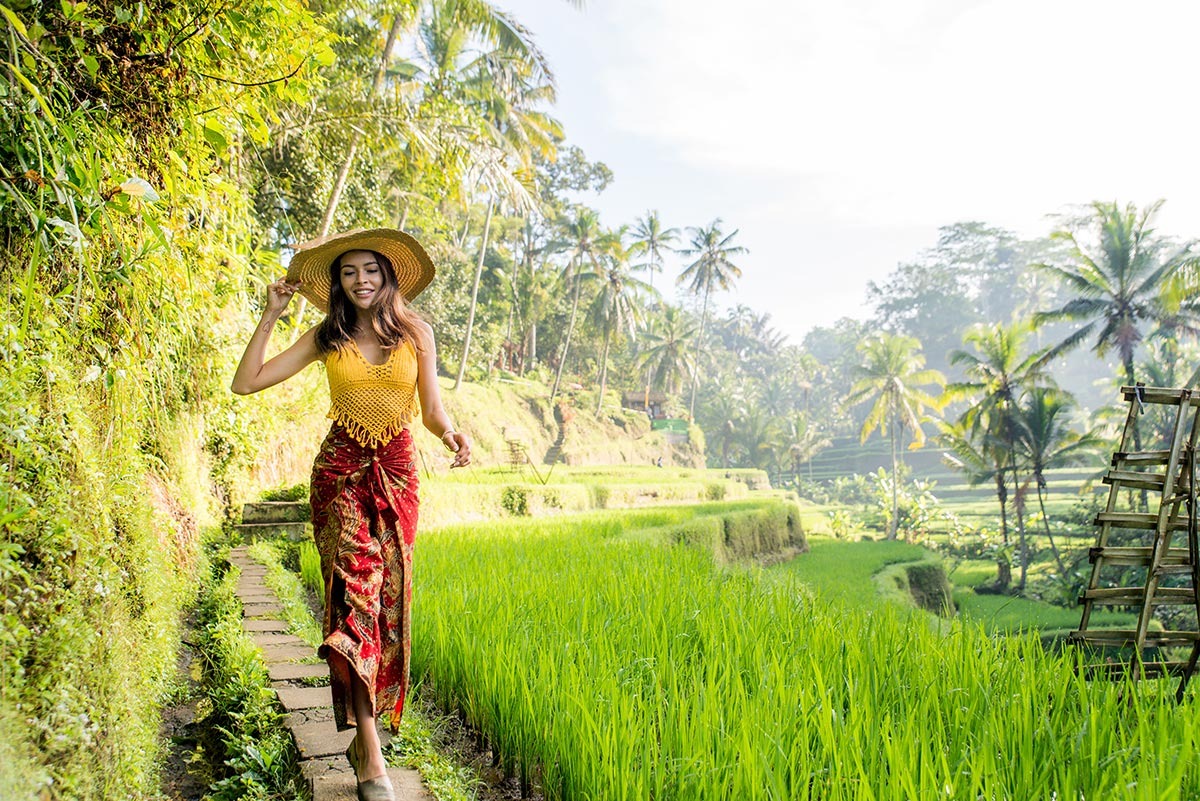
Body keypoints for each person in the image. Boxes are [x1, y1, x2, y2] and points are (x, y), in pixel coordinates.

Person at [231, 229, 471, 801]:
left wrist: (452, 433)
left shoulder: (418, 334)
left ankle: (364, 738)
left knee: (388, 607)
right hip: (339, 475)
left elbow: (432, 409)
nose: (360, 281)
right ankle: (371, 754)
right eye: (348, 272)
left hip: (398, 475)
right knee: (355, 600)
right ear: (337, 283)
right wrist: (270, 316)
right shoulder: (326, 335)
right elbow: (247, 383)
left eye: (370, 270)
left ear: (389, 276)